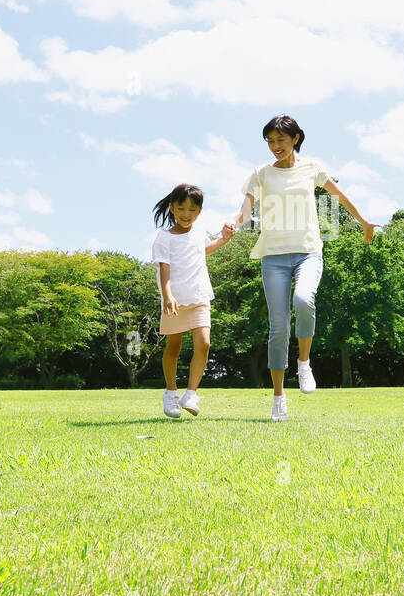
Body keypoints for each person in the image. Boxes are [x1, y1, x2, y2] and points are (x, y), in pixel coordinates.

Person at [228, 115, 378, 421]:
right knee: (279, 327)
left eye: (281, 140)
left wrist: (362, 221)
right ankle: (279, 397)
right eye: (270, 141)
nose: (275, 146)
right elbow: (247, 207)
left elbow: (339, 196)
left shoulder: (311, 168)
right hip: (273, 256)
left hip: (309, 251)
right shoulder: (260, 174)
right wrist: (234, 222)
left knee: (303, 301)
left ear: (295, 138)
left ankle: (304, 363)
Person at [151, 183, 234, 418]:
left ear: (199, 211)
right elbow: (164, 269)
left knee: (204, 343)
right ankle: (170, 393)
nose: (186, 215)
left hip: (199, 296)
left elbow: (201, 251)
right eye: (181, 209)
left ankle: (191, 393)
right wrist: (168, 297)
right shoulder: (164, 237)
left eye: (192, 210)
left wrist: (223, 240)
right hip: (175, 301)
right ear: (172, 208)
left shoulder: (199, 232)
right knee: (174, 347)